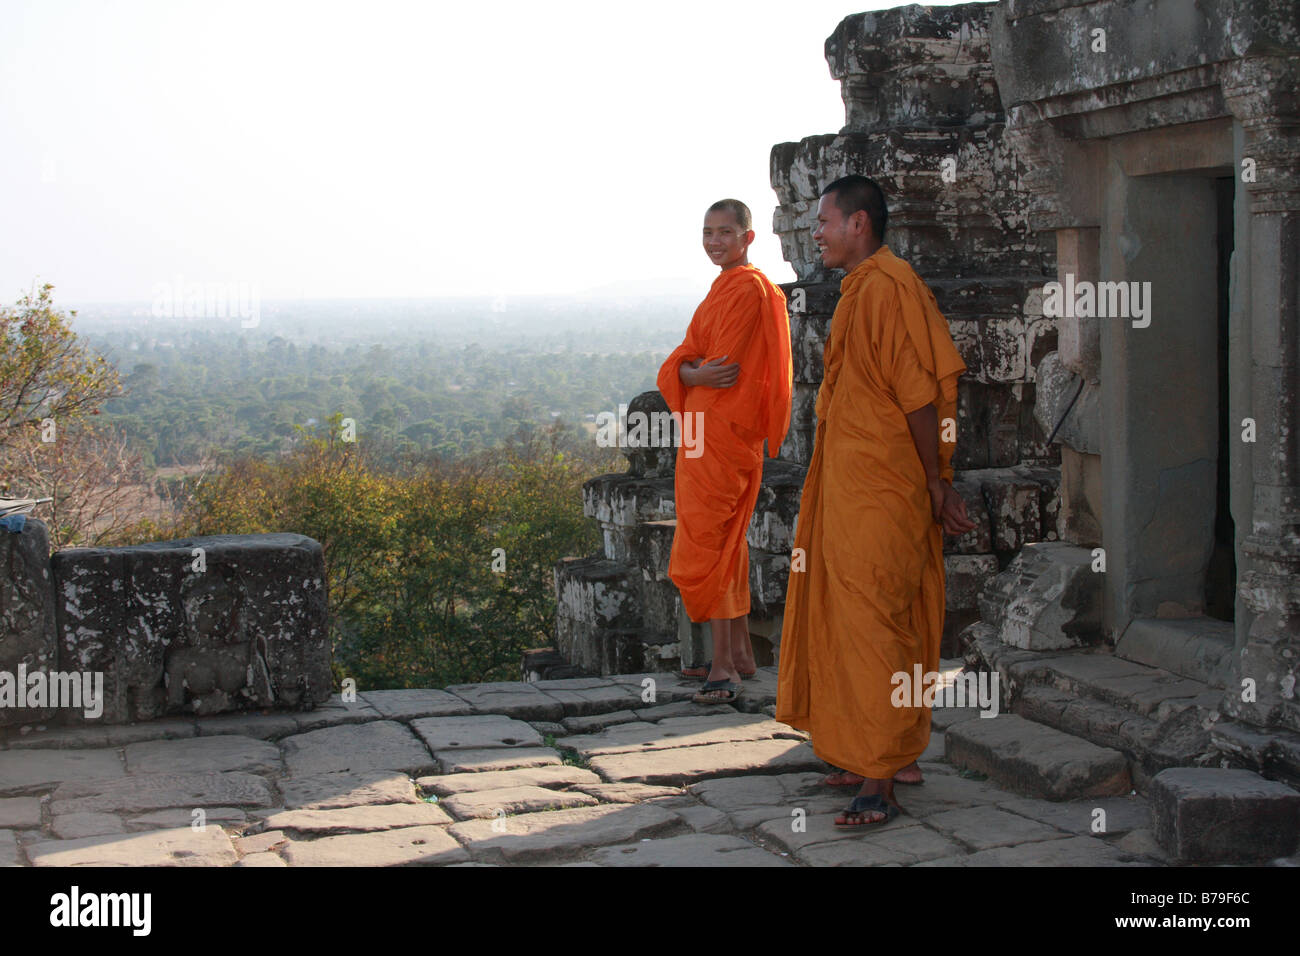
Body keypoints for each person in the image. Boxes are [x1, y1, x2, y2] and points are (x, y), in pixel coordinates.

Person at [775, 175, 976, 826]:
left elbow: (918, 397)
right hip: (856, 483)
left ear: (858, 223)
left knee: (874, 622)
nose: (817, 232)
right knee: (860, 618)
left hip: (884, 487)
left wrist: (933, 481)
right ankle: (876, 750)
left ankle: (880, 780)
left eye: (825, 221)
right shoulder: (864, 288)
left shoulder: (886, 287)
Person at [656, 199, 793, 704]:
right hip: (703, 432)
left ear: (748, 238)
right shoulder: (721, 288)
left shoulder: (750, 290)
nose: (715, 241)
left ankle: (721, 670)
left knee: (712, 541)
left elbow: (722, 369)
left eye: (726, 232)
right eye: (708, 232)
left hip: (724, 433)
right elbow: (687, 361)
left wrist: (690, 373)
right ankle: (738, 656)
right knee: (724, 540)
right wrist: (687, 374)